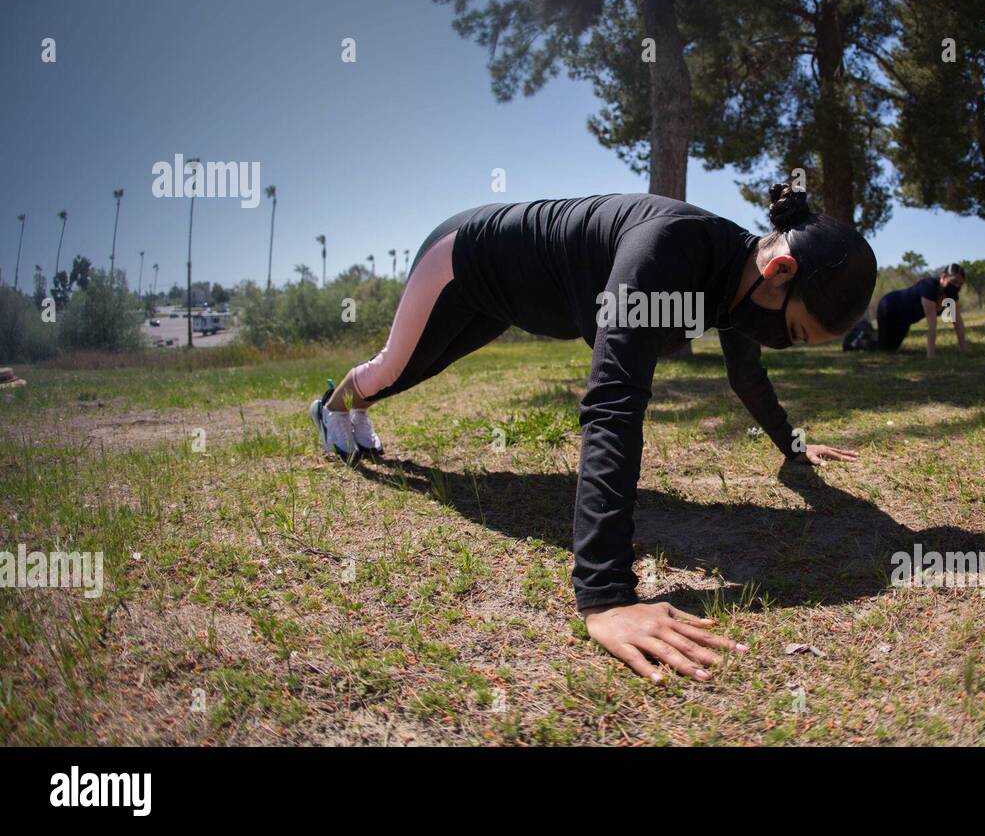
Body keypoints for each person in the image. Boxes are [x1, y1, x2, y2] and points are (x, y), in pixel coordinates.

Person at [307, 184, 877, 682]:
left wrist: (795, 447)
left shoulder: (735, 280)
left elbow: (746, 373)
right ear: (780, 273)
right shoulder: (670, 249)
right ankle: (332, 409)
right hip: (465, 257)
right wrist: (606, 598)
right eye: (795, 333)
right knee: (396, 370)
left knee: (415, 368)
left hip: (515, 295)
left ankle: (350, 412)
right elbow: (612, 403)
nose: (786, 343)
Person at [842, 263, 967, 357]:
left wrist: (963, 349)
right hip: (890, 307)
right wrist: (931, 357)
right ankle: (855, 341)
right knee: (883, 348)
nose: (956, 286)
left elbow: (958, 324)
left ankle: (866, 331)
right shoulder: (929, 287)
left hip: (905, 319)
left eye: (960, 284)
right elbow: (932, 326)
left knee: (892, 348)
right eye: (954, 281)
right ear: (943, 277)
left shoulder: (951, 296)